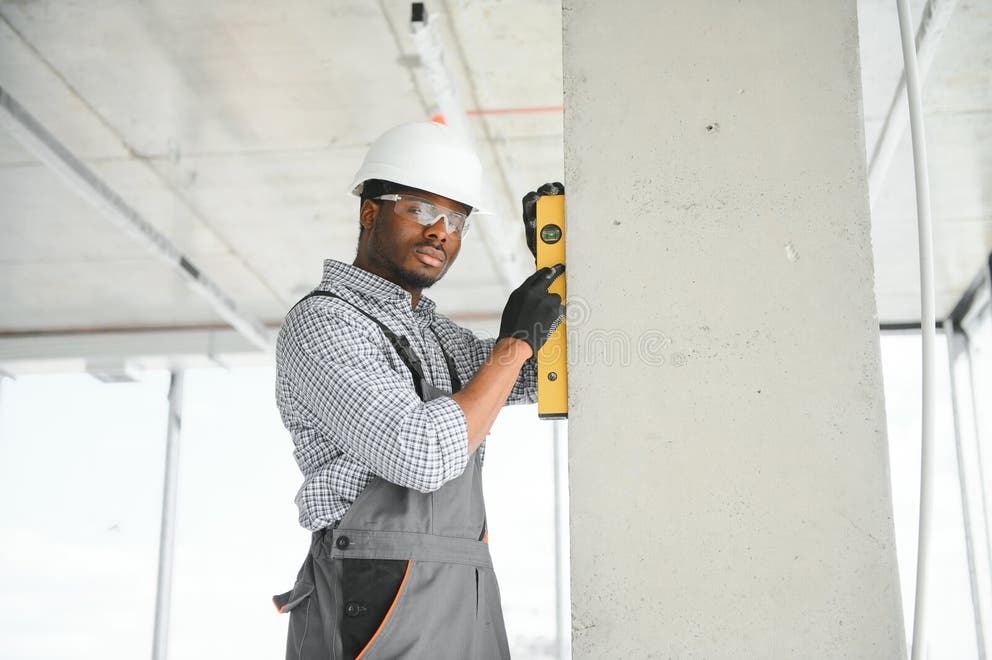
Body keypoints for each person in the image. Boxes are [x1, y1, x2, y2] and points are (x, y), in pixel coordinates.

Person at [272, 121, 565, 660]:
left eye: (455, 219)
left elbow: (539, 374)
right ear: (370, 212)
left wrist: (560, 265)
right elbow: (421, 454)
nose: (440, 232)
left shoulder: (433, 333)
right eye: (420, 209)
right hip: (378, 592)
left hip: (466, 589)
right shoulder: (325, 324)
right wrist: (514, 341)